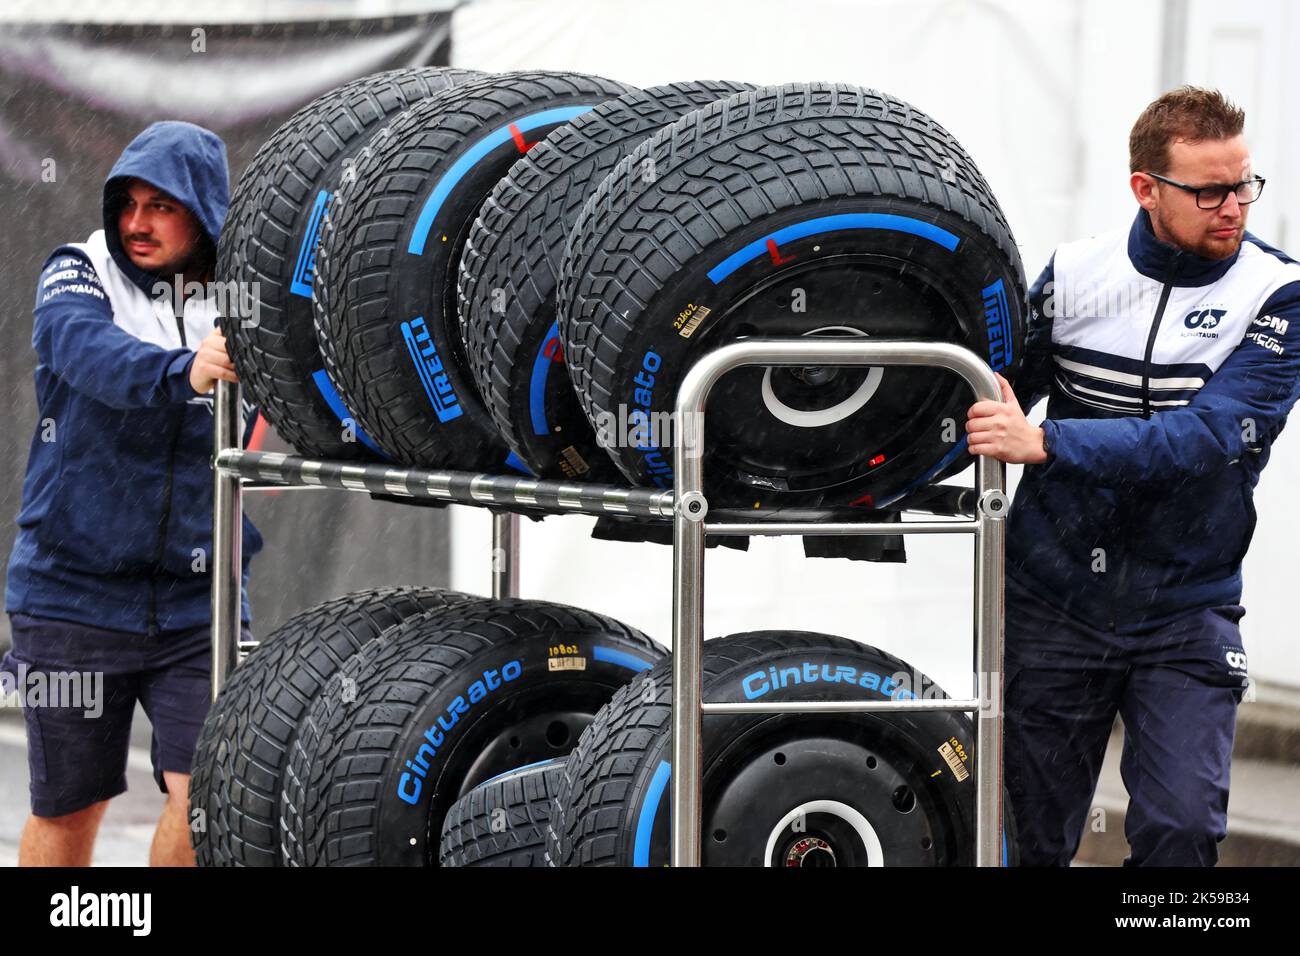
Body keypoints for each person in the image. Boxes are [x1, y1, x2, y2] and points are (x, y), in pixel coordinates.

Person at [965, 86, 1300, 866]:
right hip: (1051, 600)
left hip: (1187, 609)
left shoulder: (1278, 295)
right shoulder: (1076, 274)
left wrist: (1046, 442)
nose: (1234, 207)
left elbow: (1208, 438)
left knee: (1181, 830)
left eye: (1244, 185)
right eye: (1210, 191)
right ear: (1145, 189)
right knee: (1024, 840)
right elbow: (993, 396)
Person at [2, 121, 262, 866]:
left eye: (162, 206)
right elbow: (85, 352)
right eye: (128, 203)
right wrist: (184, 371)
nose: (136, 224)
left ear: (204, 213)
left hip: (199, 602)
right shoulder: (76, 268)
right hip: (70, 598)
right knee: (70, 805)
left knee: (208, 794)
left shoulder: (244, 294)